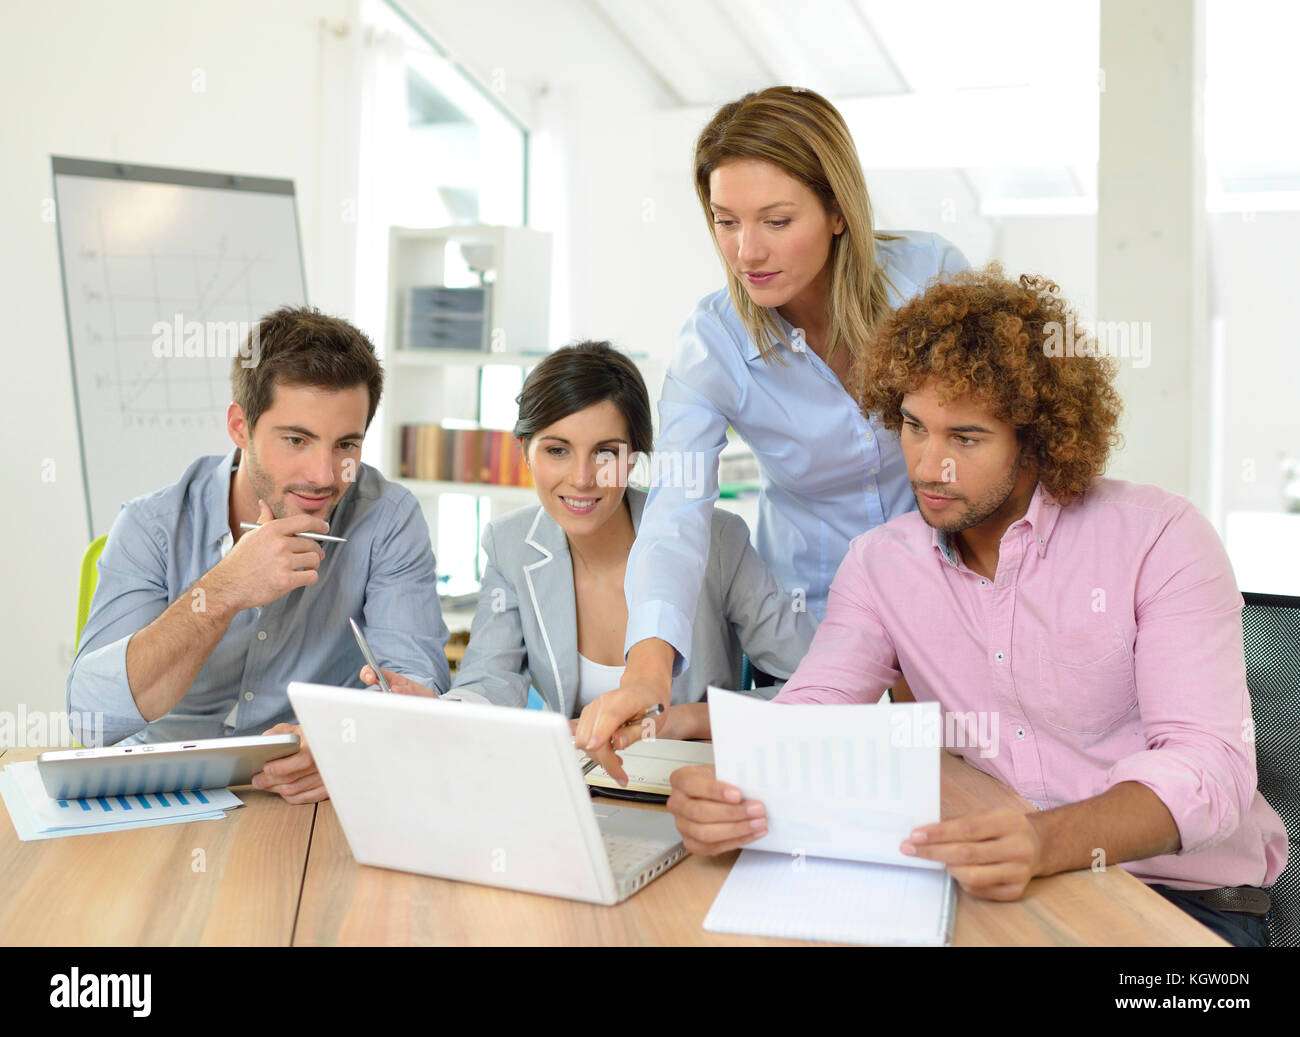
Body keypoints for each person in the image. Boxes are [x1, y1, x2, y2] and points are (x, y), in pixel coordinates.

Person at [663, 266, 1289, 946]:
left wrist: (1044, 841)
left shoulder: (1160, 537)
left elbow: (1210, 766)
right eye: (911, 425)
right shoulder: (881, 564)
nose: (930, 467)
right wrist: (734, 791)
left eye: (965, 438)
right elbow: (815, 710)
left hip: (1182, 902)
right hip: (1004, 890)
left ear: (1039, 438)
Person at [576, 85, 969, 778]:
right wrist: (646, 668)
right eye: (726, 221)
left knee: (954, 798)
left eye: (776, 220)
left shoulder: (931, 278)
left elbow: (995, 444)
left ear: (839, 210)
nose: (746, 250)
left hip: (951, 602)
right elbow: (675, 511)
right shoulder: (713, 342)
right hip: (809, 621)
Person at [68, 306, 451, 803]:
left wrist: (346, 738)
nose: (324, 474)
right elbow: (91, 721)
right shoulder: (152, 525)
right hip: (161, 796)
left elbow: (417, 686)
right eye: (297, 440)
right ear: (239, 427)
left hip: (303, 801)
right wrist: (225, 589)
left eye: (346, 445)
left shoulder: (388, 519)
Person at [360, 341, 816, 743]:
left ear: (636, 456)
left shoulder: (716, 539)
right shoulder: (510, 544)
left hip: (692, 787)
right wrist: (444, 712)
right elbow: (489, 680)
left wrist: (682, 721)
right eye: (557, 450)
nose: (581, 479)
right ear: (525, 452)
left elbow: (815, 690)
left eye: (605, 452)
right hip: (583, 788)